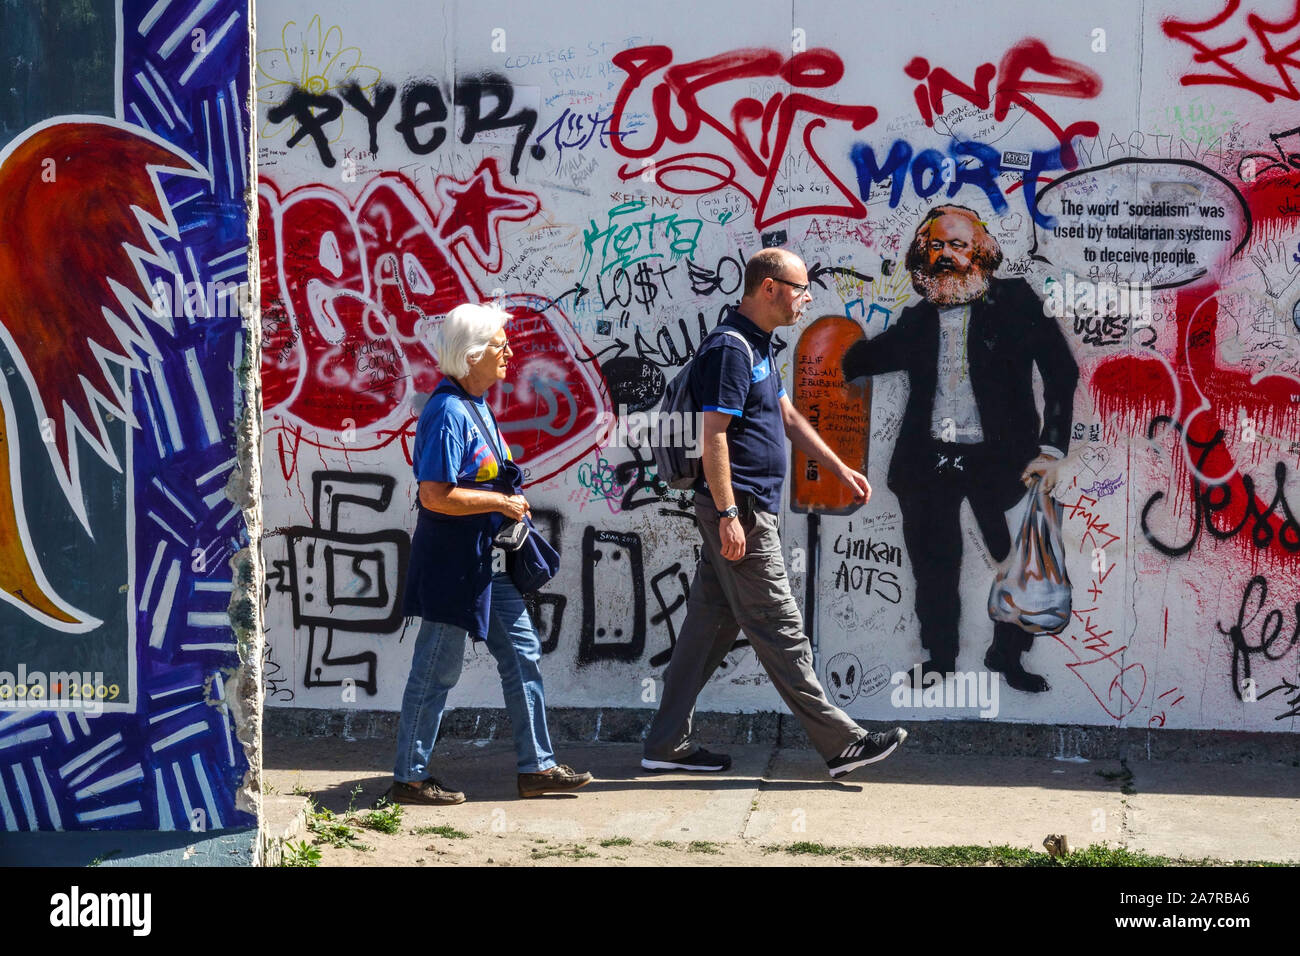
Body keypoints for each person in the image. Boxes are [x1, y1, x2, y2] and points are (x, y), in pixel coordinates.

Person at [642, 248, 908, 780]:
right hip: (739, 509)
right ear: (768, 288)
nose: (806, 298)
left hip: (742, 509)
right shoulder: (730, 350)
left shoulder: (758, 344)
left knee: (704, 630)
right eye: (799, 287)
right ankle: (843, 744)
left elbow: (786, 416)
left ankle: (665, 744)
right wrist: (727, 514)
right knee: (782, 628)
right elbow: (713, 435)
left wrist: (838, 467)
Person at [841, 205, 1078, 693]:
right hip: (929, 462)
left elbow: (1062, 370)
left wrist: (1051, 450)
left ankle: (1007, 657)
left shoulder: (1014, 302)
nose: (946, 255)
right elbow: (870, 358)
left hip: (1001, 461)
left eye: (958, 245)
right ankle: (940, 657)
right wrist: (835, 349)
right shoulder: (920, 318)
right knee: (934, 563)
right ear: (923, 254)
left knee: (1013, 560)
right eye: (936, 246)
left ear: (981, 251)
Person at [388, 302, 593, 803]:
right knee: (437, 670)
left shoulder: (475, 405)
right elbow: (435, 495)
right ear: (473, 354)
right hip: (454, 569)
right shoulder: (446, 411)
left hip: (489, 565)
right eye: (501, 346)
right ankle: (409, 777)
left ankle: (536, 768)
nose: (510, 352)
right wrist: (502, 501)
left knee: (523, 656)